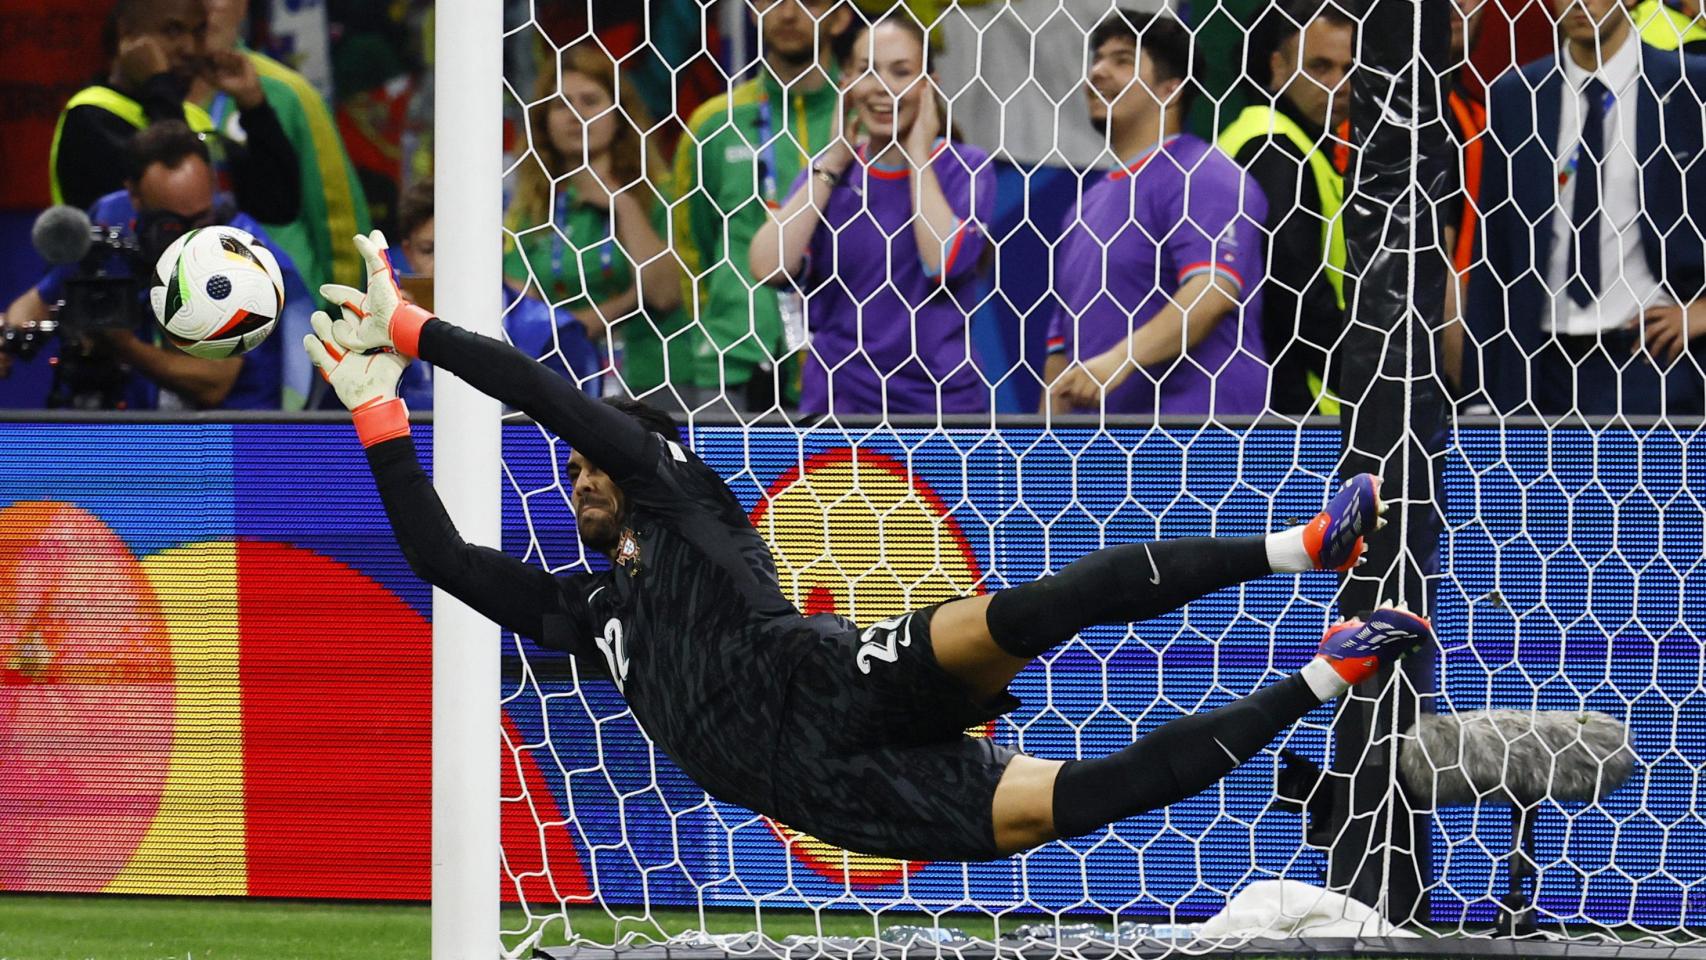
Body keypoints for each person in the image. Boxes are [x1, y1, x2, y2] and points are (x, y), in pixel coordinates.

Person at [303, 228, 1432, 863]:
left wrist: (412, 332)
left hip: (830, 683)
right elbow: (443, 561)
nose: (582, 473)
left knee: (1028, 613)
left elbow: (549, 399)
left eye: (597, 461)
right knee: (1079, 802)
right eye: (573, 476)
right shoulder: (591, 620)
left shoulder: (685, 502)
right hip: (817, 790)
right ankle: (1324, 671)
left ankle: (1302, 543)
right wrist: (374, 412)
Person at [1466, 0, 1706, 414]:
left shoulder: (1689, 87)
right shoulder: (1516, 97)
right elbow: (1495, 251)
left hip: (1655, 361)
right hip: (1541, 368)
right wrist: (1480, 393)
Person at [749, 11, 995, 416]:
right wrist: (834, 160)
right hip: (837, 409)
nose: (883, 88)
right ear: (846, 85)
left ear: (929, 86)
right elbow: (768, 266)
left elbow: (942, 263)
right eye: (868, 71)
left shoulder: (965, 166)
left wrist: (918, 155)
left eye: (901, 72)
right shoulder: (829, 175)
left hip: (939, 413)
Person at [1041, 11, 1269, 416]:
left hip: (1199, 451)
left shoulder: (1204, 175)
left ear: (1170, 89)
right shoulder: (1081, 210)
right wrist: (1043, 461)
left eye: (1122, 60)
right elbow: (1061, 355)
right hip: (1103, 459)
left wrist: (1119, 360)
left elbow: (1211, 294)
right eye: (1097, 58)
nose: (1097, 71)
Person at [8, 121, 306, 410]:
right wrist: (8, 336)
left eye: (201, 220)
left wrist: (123, 346)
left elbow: (214, 383)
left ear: (213, 187)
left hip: (233, 436)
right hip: (139, 427)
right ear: (135, 196)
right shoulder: (112, 216)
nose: (190, 238)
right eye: (171, 224)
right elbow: (37, 302)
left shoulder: (245, 255)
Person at [673, 0, 853, 412]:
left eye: (809, 1)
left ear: (841, 16)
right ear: (754, 11)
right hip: (732, 365)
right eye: (772, 0)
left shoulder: (865, 117)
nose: (788, 13)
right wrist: (725, 318)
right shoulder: (713, 124)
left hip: (843, 367)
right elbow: (690, 248)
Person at [504, 44, 693, 405]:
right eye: (561, 105)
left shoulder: (661, 192)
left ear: (619, 114)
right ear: (543, 120)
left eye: (590, 100)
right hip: (558, 384)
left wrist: (623, 205)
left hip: (653, 384)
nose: (576, 114)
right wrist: (578, 327)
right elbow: (517, 299)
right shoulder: (532, 205)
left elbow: (666, 293)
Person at [199, 0, 373, 329]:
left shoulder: (288, 94)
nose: (205, 7)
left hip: (288, 319)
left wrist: (343, 316)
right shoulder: (149, 93)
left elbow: (336, 217)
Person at [1220, 0, 1357, 415]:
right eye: (1319, 67)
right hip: (1297, 409)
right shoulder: (1275, 148)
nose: (1339, 84)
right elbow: (1294, 289)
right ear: (1278, 68)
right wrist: (1360, 382)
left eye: (1350, 69)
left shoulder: (1272, 138)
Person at [51, 0, 300, 225]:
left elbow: (278, 206)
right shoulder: (90, 116)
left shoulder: (191, 117)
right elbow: (173, 209)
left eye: (199, 31)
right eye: (173, 31)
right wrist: (159, 82)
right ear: (126, 34)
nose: (190, 49)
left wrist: (254, 107)